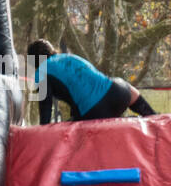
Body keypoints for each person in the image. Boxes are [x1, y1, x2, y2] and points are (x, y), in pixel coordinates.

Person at [26, 39, 156, 125]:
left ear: (34, 61)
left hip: (93, 111)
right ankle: (156, 119)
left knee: (72, 122)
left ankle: (128, 122)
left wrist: (43, 130)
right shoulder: (68, 56)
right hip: (118, 93)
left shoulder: (41, 72)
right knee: (129, 90)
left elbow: (46, 107)